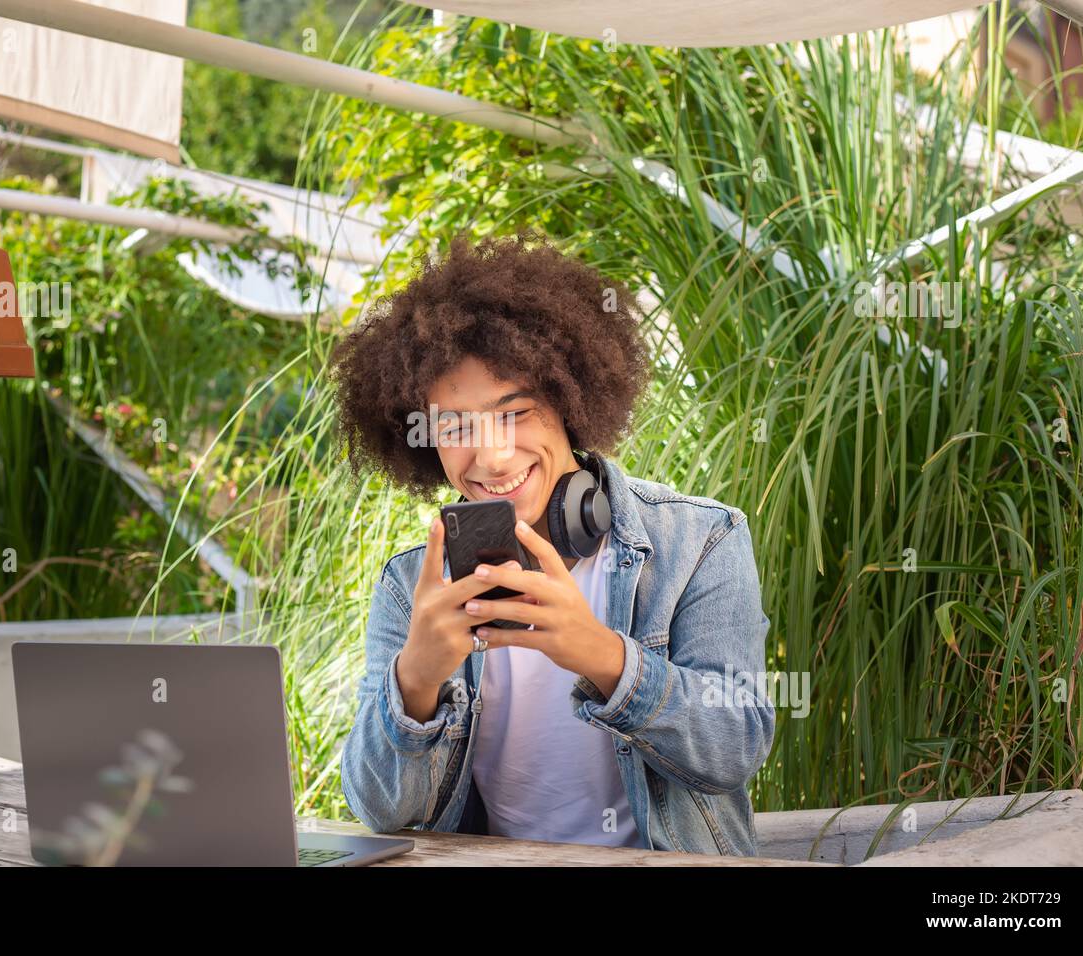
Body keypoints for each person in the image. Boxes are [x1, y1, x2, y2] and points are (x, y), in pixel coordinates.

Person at [331, 229, 775, 855]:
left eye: (514, 413)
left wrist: (603, 657)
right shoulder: (413, 589)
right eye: (455, 426)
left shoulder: (701, 540)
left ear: (569, 402)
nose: (491, 455)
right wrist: (418, 679)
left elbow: (736, 747)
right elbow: (381, 811)